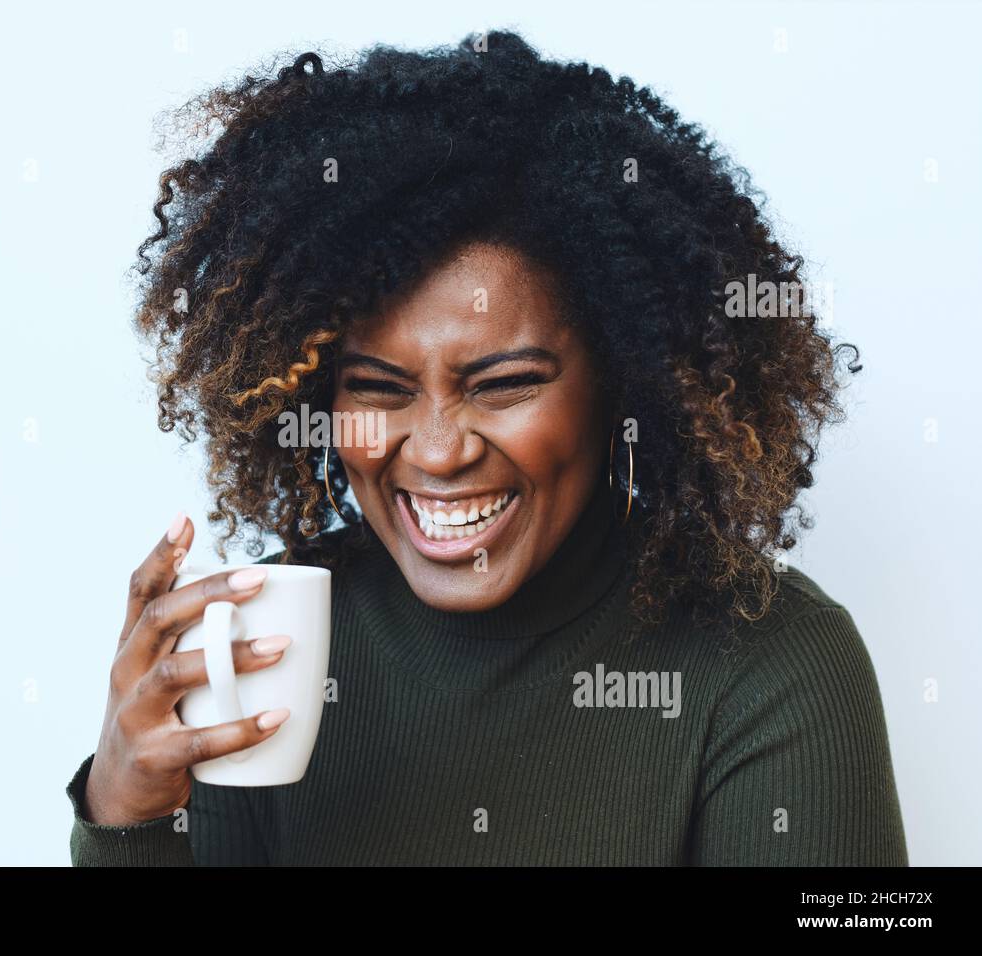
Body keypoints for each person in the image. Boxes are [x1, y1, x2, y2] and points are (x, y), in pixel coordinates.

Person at [65, 30, 907, 865]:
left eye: (503, 385)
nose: (435, 452)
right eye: (380, 389)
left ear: (623, 383)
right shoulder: (267, 648)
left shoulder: (769, 662)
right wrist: (127, 821)